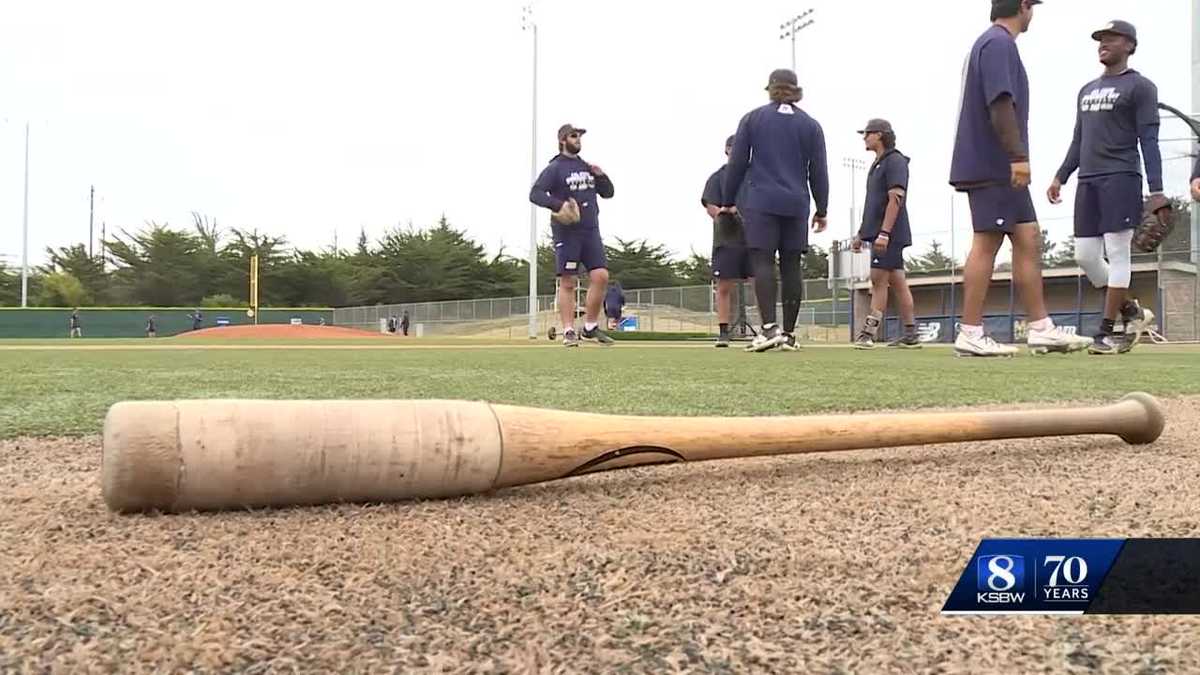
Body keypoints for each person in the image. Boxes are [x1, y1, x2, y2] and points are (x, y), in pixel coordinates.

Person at [948, 0, 1091, 357]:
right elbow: (1000, 103)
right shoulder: (997, 43)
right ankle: (970, 331)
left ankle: (1041, 328)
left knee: (1028, 237)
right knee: (988, 241)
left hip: (1000, 165)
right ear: (1024, 6)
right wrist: (1017, 157)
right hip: (993, 164)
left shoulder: (994, 43)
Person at [1047, 20, 1164, 356]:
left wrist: (1156, 191)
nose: (1103, 43)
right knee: (1084, 256)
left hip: (1121, 177)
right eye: (1100, 39)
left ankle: (1106, 332)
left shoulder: (1141, 87)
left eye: (1111, 38)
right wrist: (1061, 175)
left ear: (1129, 45)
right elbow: (1078, 139)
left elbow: (1149, 140)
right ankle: (1133, 312)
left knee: (1117, 252)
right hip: (1089, 180)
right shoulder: (1086, 89)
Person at [720, 68, 829, 353]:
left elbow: (738, 163)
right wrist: (822, 207)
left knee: (763, 261)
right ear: (796, 90)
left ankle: (769, 328)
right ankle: (790, 334)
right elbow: (818, 170)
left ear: (770, 89)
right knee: (792, 265)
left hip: (761, 200)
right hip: (797, 202)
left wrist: (728, 199)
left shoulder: (753, 119)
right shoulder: (811, 125)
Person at [530, 123, 616, 347]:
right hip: (567, 232)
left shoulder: (586, 167)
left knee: (601, 276)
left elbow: (608, 193)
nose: (578, 139)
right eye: (574, 136)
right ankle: (568, 330)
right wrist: (559, 205)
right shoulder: (555, 168)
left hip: (591, 229)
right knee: (568, 281)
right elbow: (535, 193)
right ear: (562, 140)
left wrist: (601, 176)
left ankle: (589, 327)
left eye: (579, 136)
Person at [851, 119, 919, 350]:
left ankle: (868, 334)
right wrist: (862, 233)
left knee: (878, 280)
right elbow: (873, 204)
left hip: (890, 234)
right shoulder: (877, 164)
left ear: (879, 135)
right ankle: (911, 334)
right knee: (897, 281)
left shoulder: (895, 161)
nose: (864, 138)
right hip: (879, 233)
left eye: (867, 133)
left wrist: (884, 233)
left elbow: (895, 198)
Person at [701, 135, 755, 348]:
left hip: (755, 237)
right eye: (734, 147)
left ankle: (768, 328)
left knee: (760, 282)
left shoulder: (758, 175)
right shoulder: (718, 177)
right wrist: (724, 214)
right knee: (724, 285)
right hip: (727, 238)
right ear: (727, 150)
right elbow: (711, 205)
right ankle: (723, 331)